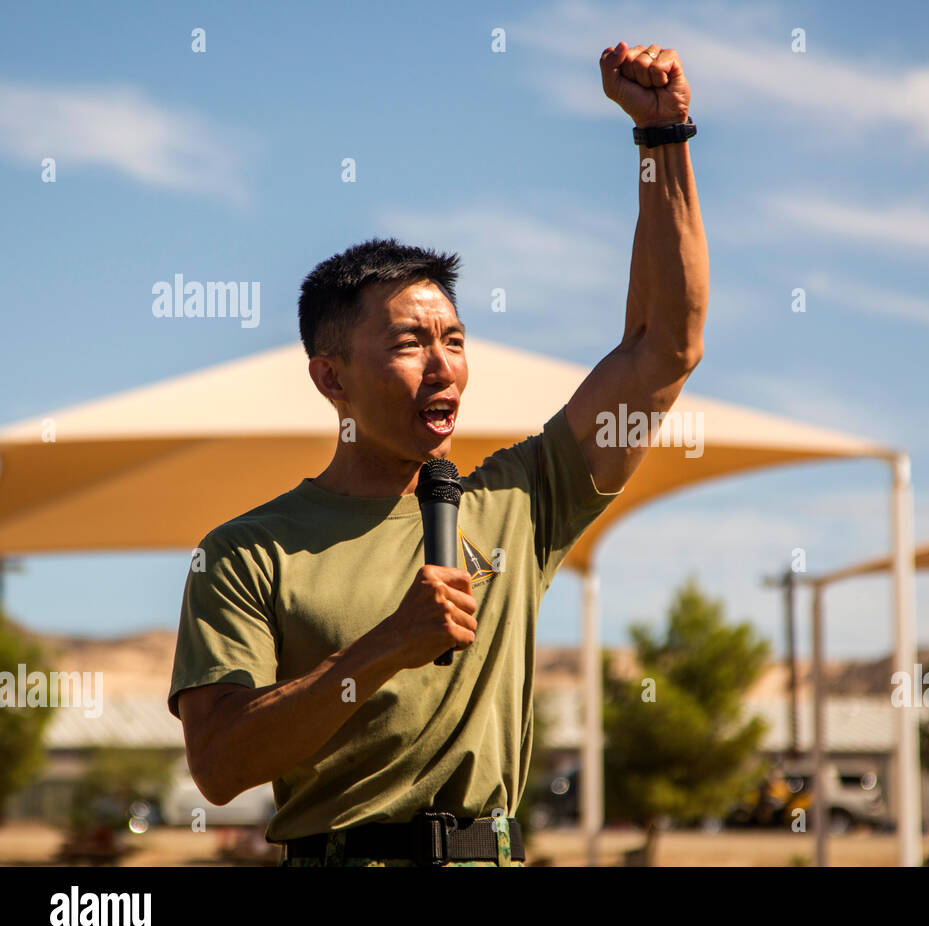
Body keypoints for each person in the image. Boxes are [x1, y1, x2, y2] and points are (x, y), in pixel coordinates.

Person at [166, 40, 707, 866]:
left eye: (454, 337)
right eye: (411, 342)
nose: (444, 363)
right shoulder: (244, 554)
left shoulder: (522, 498)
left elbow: (662, 347)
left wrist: (663, 141)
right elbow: (219, 765)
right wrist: (390, 644)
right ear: (329, 376)